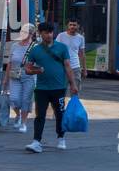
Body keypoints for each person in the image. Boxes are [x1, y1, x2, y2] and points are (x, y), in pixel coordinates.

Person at [24, 22, 78, 153]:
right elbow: (27, 69)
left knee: (60, 114)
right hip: (41, 89)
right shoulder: (35, 50)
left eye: (51, 32)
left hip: (59, 88)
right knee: (40, 115)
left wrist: (73, 84)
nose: (49, 35)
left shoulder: (62, 48)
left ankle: (61, 138)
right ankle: (36, 141)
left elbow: (67, 67)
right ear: (40, 33)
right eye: (46, 32)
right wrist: (37, 71)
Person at [4, 23, 37, 133]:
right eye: (22, 31)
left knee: (26, 100)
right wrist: (5, 79)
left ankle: (23, 123)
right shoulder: (15, 45)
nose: (23, 34)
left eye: (26, 32)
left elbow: (40, 64)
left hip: (29, 76)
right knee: (14, 99)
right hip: (14, 75)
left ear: (32, 34)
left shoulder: (35, 47)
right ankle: (18, 115)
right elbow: (9, 63)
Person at [55, 20, 86, 90]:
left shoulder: (81, 38)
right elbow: (55, 50)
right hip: (63, 68)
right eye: (70, 25)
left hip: (76, 68)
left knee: (75, 91)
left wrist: (84, 69)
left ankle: (74, 101)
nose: (72, 26)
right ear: (67, 26)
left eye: (74, 25)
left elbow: (82, 54)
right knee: (61, 91)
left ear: (78, 26)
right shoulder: (61, 36)